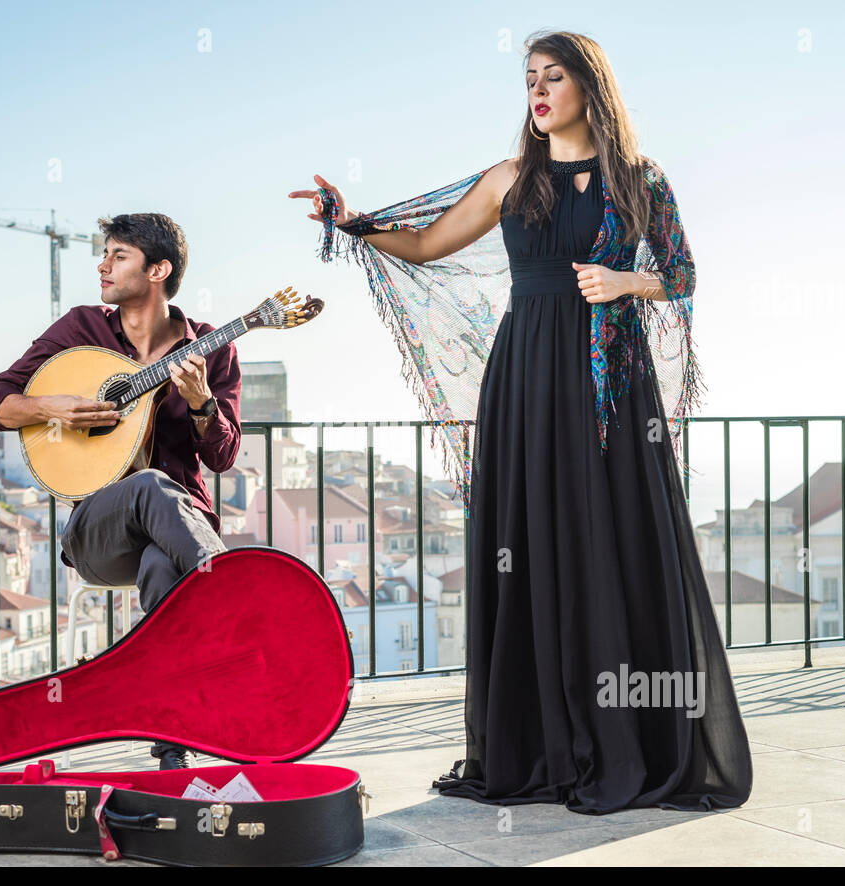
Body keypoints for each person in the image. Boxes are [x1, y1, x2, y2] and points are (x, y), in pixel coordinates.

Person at [290, 31, 753, 812]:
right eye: (529, 79)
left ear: (589, 88)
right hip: (527, 375)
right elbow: (426, 244)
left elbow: (680, 275)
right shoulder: (510, 177)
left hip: (611, 387)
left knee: (613, 537)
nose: (537, 92)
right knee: (531, 542)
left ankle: (628, 740)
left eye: (553, 77)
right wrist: (349, 221)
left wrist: (624, 282)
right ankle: (541, 743)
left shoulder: (640, 179)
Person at [0, 212, 240, 771]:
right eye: (105, 254)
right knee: (148, 486)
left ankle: (173, 746)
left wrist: (201, 405)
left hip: (175, 535)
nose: (103, 265)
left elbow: (222, 457)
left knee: (164, 569)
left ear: (158, 270)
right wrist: (49, 407)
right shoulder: (81, 330)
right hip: (97, 535)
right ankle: (241, 608)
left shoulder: (210, 348)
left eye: (119, 256)